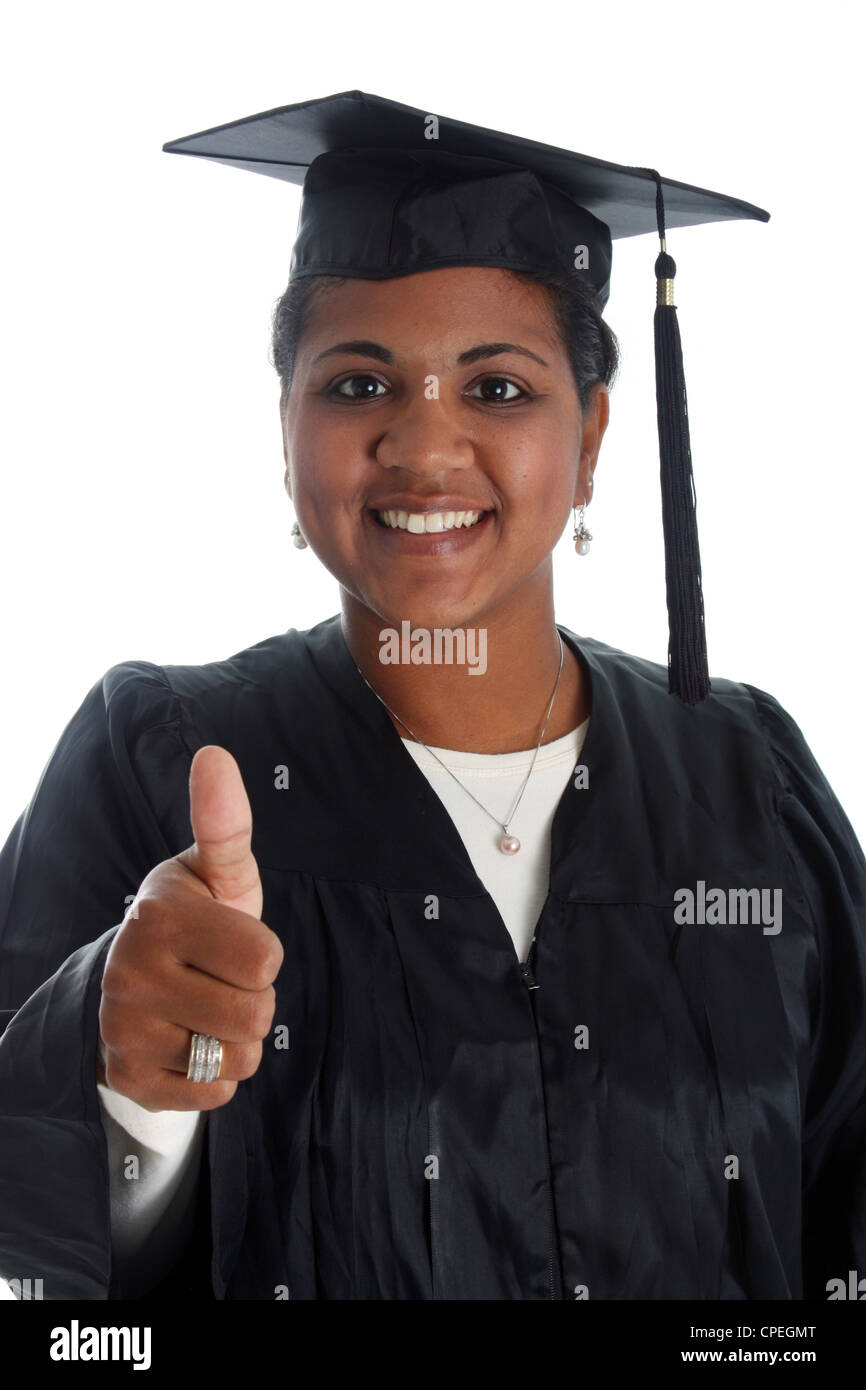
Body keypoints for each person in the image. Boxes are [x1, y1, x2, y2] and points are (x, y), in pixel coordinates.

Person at [1, 91, 864, 1302]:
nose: (421, 444)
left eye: (497, 389)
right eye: (357, 386)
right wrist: (128, 1093)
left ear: (593, 437)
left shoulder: (746, 783)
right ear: (285, 425)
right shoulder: (157, 763)